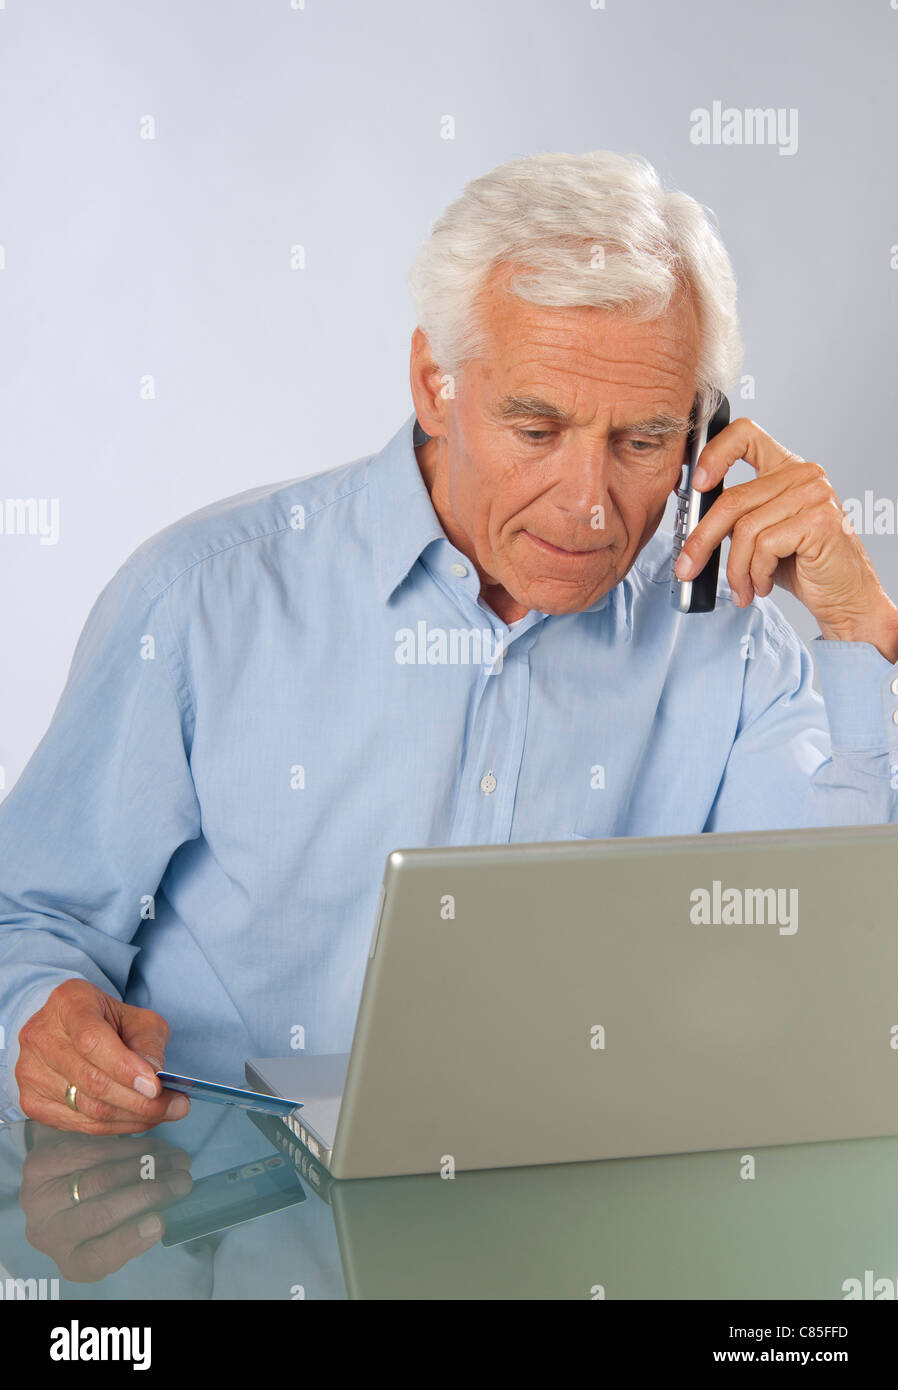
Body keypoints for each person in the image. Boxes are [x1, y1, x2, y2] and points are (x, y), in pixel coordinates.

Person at [2, 150, 897, 1135]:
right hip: (248, 1240)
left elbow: (838, 988)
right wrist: (37, 1020)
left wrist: (858, 629)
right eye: (535, 427)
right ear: (435, 383)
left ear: (702, 432)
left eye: (643, 442)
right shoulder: (201, 602)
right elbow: (30, 917)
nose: (588, 502)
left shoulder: (734, 648)